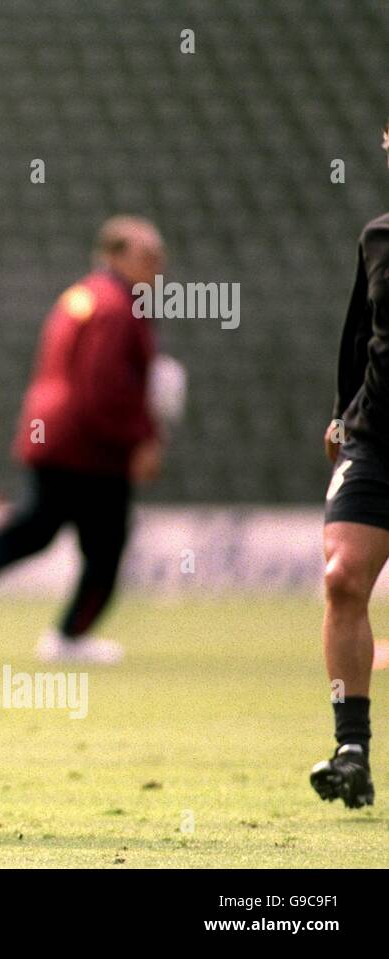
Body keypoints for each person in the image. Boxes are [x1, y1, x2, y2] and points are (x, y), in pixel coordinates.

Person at [0, 216, 165, 664]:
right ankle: (69, 637)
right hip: (91, 442)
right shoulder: (117, 306)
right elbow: (106, 386)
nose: (159, 268)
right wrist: (141, 437)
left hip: (52, 430)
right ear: (115, 255)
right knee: (106, 546)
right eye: (148, 257)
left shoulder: (82, 297)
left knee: (40, 524)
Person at [310, 121, 389, 810]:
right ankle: (351, 747)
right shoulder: (377, 237)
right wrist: (342, 411)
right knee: (341, 579)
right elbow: (358, 335)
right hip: (377, 437)